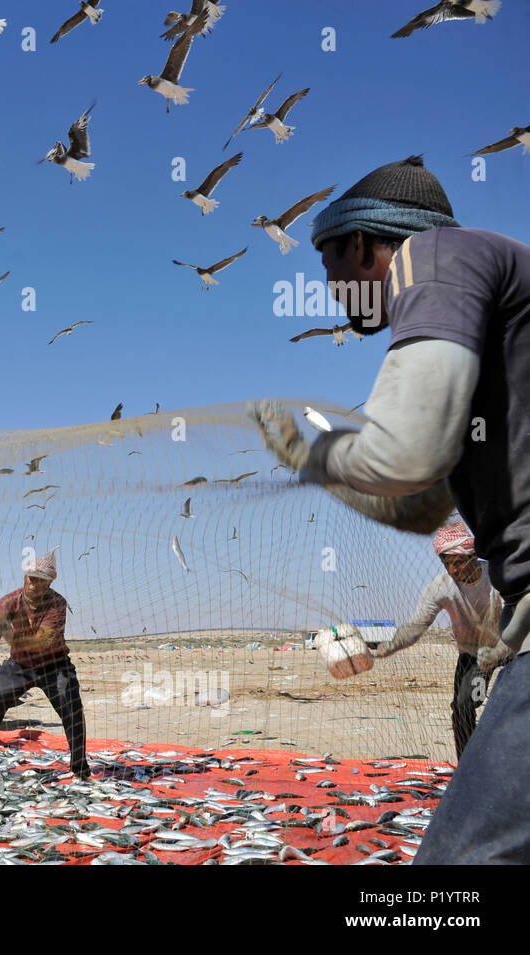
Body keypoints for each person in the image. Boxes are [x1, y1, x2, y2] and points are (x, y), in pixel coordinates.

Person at [253, 155, 530, 863]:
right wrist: (320, 467)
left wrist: (315, 455)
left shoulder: (433, 256)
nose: (328, 288)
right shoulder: (485, 309)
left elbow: (405, 456)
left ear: (365, 243)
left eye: (328, 265)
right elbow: (418, 502)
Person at [373, 521, 504, 760]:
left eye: (458, 562)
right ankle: (468, 764)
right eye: (446, 564)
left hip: (507, 645)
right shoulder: (440, 587)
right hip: (473, 655)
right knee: (463, 706)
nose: (453, 570)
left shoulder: (496, 577)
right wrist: (388, 646)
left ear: (472, 555)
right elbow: (416, 626)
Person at [0, 550, 89, 778]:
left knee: (71, 707)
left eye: (41, 581)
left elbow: (40, 643)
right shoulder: (9, 601)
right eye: (32, 578)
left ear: (50, 582)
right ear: (24, 578)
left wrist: (8, 634)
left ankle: (80, 768)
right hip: (19, 665)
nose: (35, 584)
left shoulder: (57, 603)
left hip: (55, 665)